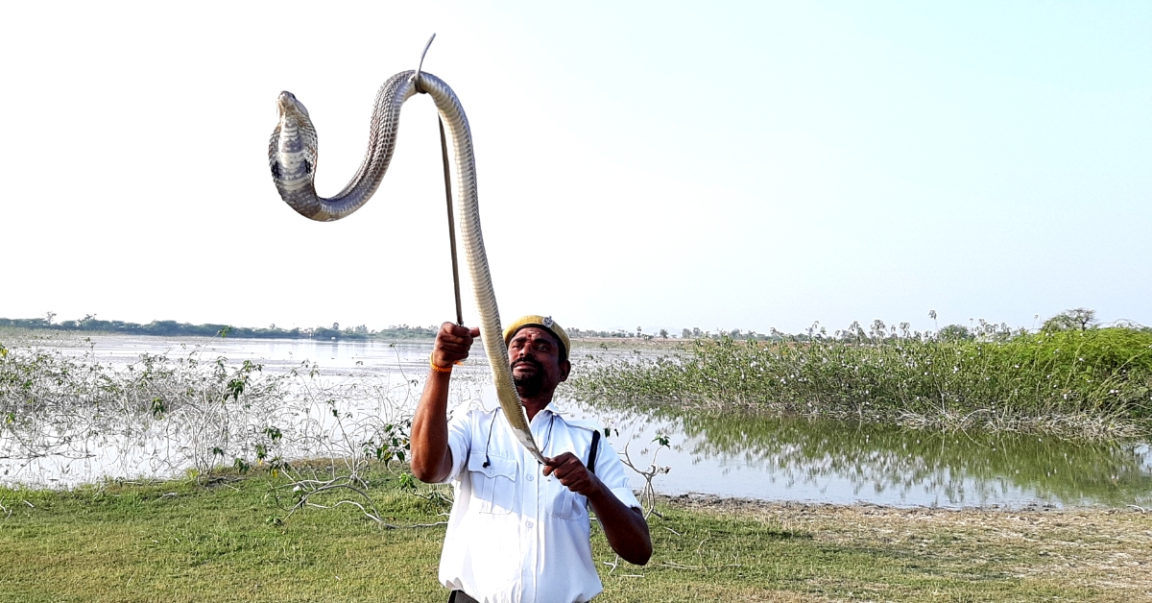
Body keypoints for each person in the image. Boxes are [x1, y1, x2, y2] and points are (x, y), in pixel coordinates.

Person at [411, 315, 652, 603]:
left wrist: (593, 487)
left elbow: (639, 551)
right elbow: (426, 468)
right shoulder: (474, 422)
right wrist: (441, 367)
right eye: (517, 345)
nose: (526, 351)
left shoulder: (589, 440)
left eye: (542, 347)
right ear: (501, 360)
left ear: (564, 370)